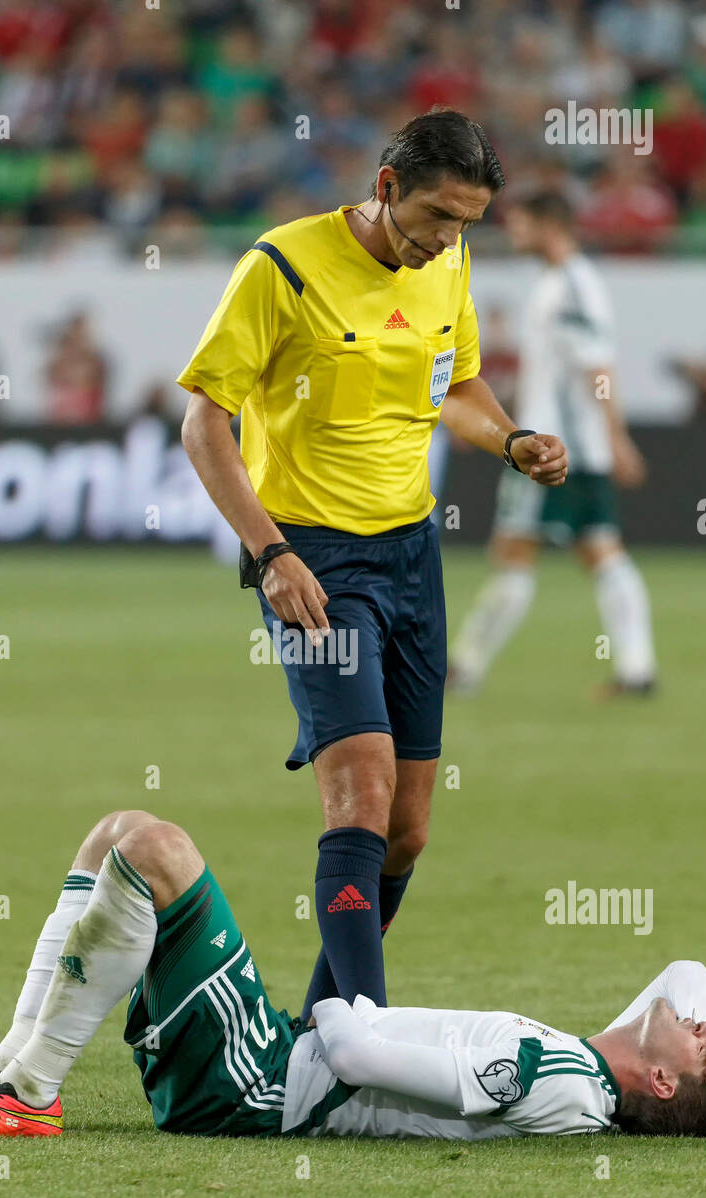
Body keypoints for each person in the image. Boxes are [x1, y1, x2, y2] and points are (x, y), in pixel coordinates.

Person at [178, 109, 569, 1019]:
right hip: (313, 561)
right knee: (359, 791)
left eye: (466, 223)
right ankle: (366, 1043)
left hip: (411, 555)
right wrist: (268, 552)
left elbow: (457, 386)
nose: (448, 240)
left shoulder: (451, 263)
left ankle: (321, 1033)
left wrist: (511, 440)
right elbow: (204, 421)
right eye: (437, 216)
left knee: (406, 830)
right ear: (386, 187)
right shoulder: (282, 266)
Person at [0, 810, 706, 1142]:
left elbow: (365, 1062)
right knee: (117, 832)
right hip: (268, 1066)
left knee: (153, 852)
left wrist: (347, 1002)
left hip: (259, 1083)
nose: (701, 1018)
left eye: (698, 1033)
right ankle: (1, 1076)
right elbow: (685, 973)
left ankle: (28, 1095)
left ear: (663, 1080)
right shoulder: (588, 1062)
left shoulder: (559, 1080)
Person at [447, 190, 657, 698]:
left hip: (552, 451)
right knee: (602, 552)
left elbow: (597, 366)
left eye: (519, 223)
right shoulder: (557, 283)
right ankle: (637, 669)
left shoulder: (571, 286)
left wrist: (615, 435)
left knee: (512, 553)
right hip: (575, 447)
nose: (512, 232)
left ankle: (464, 668)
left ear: (547, 224)